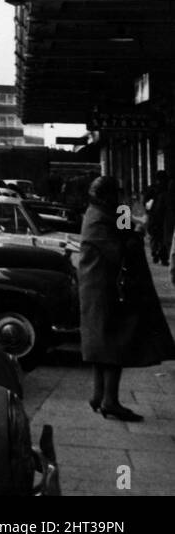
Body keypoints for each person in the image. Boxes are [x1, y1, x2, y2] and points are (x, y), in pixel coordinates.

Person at [77, 174, 175, 420]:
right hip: (104, 289)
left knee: (104, 343)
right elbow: (120, 249)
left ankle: (99, 396)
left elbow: (125, 230)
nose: (119, 199)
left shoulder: (108, 210)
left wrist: (130, 225)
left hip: (106, 287)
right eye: (116, 194)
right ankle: (109, 400)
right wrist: (137, 234)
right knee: (111, 344)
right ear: (106, 195)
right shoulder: (97, 218)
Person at [145, 170, 172, 266]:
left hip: (155, 216)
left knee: (155, 236)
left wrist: (149, 212)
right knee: (161, 237)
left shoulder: (153, 189)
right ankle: (161, 255)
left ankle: (156, 252)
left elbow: (147, 203)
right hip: (161, 217)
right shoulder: (164, 191)